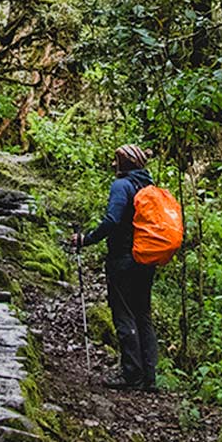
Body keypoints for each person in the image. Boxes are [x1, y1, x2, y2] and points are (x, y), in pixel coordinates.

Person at [70, 144, 159, 390]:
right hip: (146, 258)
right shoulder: (148, 187)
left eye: (116, 161)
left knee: (124, 314)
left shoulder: (122, 186)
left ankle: (131, 375)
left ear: (123, 164)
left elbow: (112, 219)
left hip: (123, 259)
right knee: (143, 315)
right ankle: (149, 377)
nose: (113, 165)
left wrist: (86, 239)